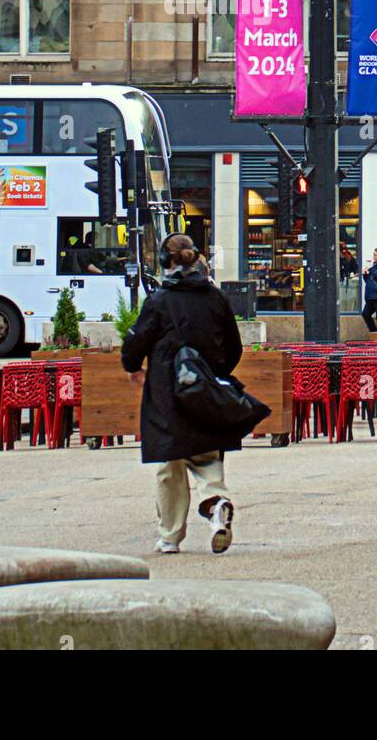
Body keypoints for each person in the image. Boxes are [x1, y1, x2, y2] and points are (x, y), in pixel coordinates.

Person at [121, 231, 242, 556]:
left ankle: (170, 536)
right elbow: (234, 347)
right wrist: (215, 374)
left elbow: (136, 342)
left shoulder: (159, 300)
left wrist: (133, 366)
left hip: (167, 393)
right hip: (207, 392)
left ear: (164, 262)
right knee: (207, 456)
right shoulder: (216, 298)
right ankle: (215, 502)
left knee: (170, 465)